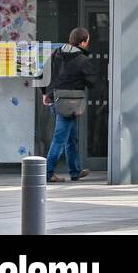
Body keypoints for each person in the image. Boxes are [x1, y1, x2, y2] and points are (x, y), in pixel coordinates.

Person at [41, 27, 95, 183]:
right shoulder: (82, 60)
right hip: (70, 103)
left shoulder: (56, 53)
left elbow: (42, 74)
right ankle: (47, 172)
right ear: (83, 42)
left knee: (71, 138)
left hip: (55, 99)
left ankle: (75, 171)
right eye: (87, 41)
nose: (87, 44)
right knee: (59, 138)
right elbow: (92, 82)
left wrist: (45, 93)